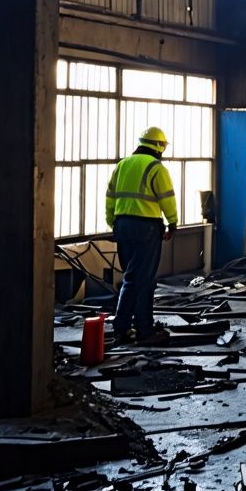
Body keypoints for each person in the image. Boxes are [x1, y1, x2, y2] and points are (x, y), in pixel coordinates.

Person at [106, 126, 179, 344]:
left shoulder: (122, 165)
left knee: (131, 276)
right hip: (145, 228)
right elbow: (167, 198)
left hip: (122, 226)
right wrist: (173, 223)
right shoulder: (156, 167)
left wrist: (114, 223)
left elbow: (110, 197)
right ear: (158, 146)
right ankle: (143, 330)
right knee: (143, 280)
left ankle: (123, 326)